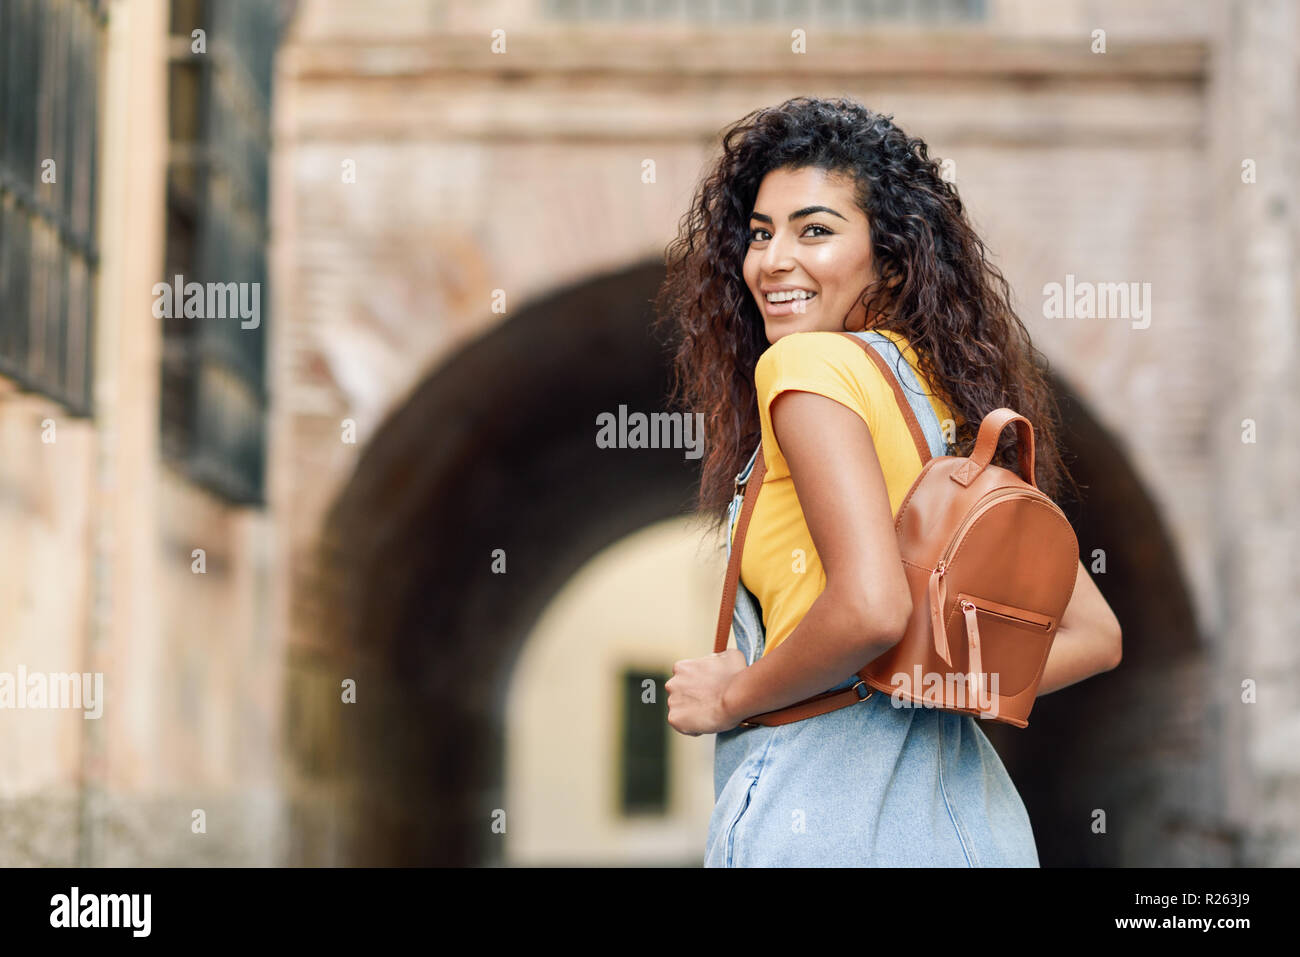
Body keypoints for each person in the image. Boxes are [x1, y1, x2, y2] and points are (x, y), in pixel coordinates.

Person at [656, 96, 1123, 867]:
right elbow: (1094, 636)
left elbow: (871, 606)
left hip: (823, 810)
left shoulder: (802, 367)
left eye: (816, 230)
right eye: (761, 234)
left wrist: (733, 695)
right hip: (974, 821)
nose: (774, 260)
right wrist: (917, 678)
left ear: (893, 257)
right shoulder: (947, 405)